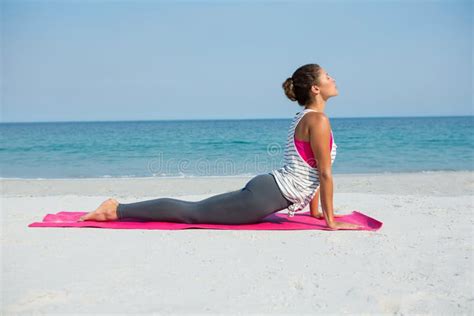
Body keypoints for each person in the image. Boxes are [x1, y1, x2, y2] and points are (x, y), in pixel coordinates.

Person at [78, 63, 361, 230]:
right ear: (315, 89)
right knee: (193, 213)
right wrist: (331, 223)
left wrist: (317, 213)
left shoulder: (309, 118)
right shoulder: (318, 120)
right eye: (327, 77)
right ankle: (117, 209)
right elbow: (323, 174)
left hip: (269, 188)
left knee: (196, 209)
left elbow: (310, 169)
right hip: (266, 195)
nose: (332, 79)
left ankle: (118, 208)